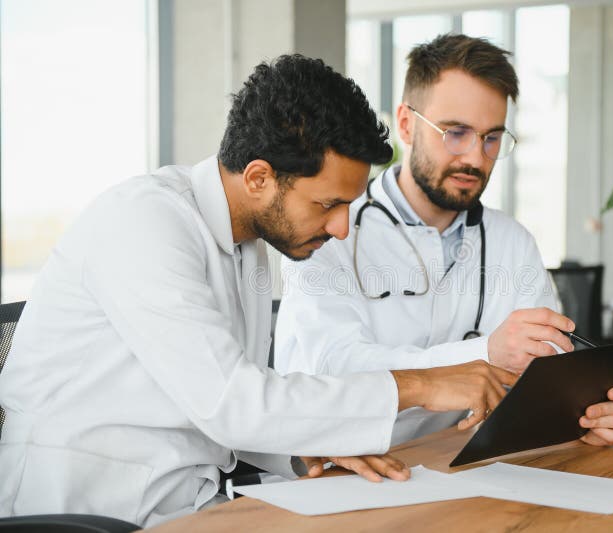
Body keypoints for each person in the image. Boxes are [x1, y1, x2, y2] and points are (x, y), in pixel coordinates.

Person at [0, 54, 517, 527]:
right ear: (258, 178)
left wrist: (313, 446)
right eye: (328, 205)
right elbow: (233, 403)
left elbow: (235, 401)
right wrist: (420, 385)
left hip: (183, 505)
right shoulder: (142, 222)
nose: (342, 228)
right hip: (84, 511)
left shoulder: (247, 244)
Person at [275, 35, 613, 446]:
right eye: (456, 132)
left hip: (456, 463)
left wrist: (582, 412)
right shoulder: (327, 231)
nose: (475, 158)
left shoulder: (512, 242)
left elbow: (542, 376)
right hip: (345, 465)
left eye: (492, 138)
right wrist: (485, 354)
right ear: (407, 124)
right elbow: (329, 368)